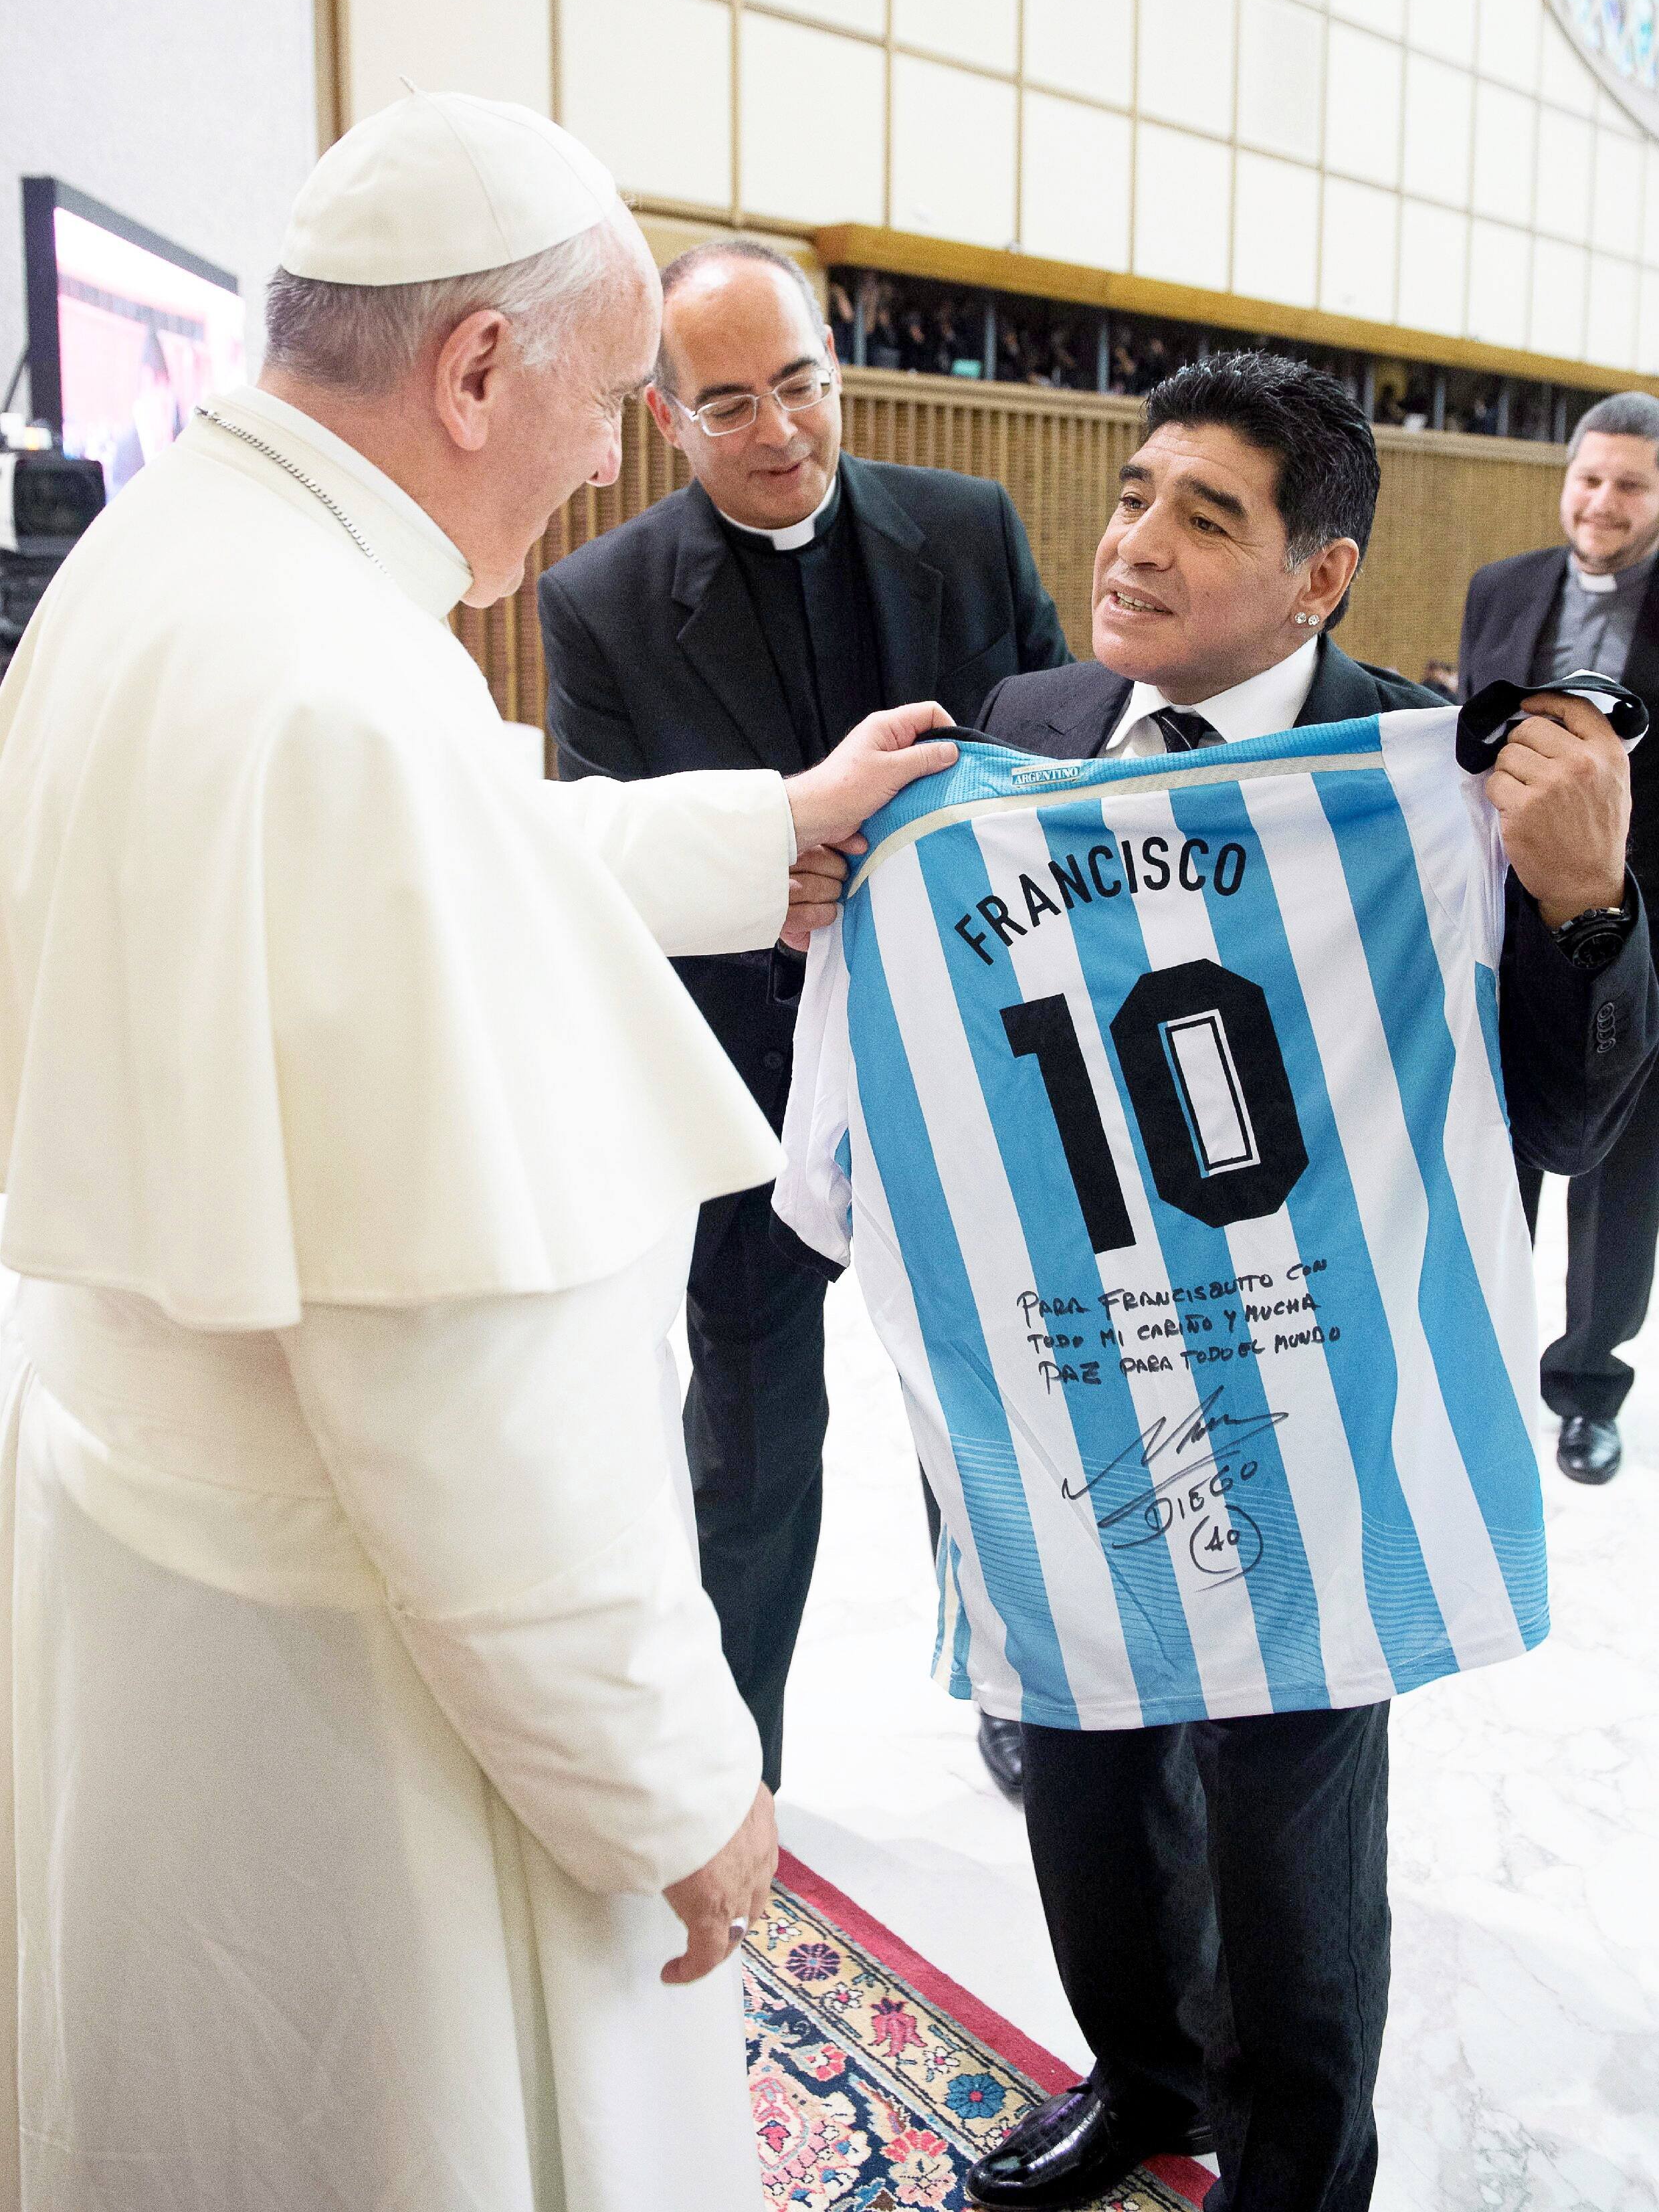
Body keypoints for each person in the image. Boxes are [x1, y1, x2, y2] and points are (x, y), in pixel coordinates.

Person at [0, 90, 957, 2212]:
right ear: (473, 369)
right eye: (614, 396)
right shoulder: (338, 686)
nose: (618, 451)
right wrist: (674, 1781)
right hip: (350, 1667)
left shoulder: (180, 559)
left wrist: (752, 826)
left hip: (159, 1546)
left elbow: (429, 856)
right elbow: (475, 1393)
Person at [945, 353, 1652, 2212]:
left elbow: (1569, 1126)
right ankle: (1148, 2077)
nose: (1138, 544)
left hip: (1315, 1378)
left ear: (1319, 574)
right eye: (1130, 494)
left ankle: (1297, 2170)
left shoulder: (1425, 775)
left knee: (1289, 1825)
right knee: (1085, 1764)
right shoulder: (1023, 715)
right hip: (1078, 1360)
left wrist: (1585, 908)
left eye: (1208, 514)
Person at [538, 239, 1070, 1799]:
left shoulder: (964, 532)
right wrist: (745, 881)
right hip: (748, 1084)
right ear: (663, 418)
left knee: (987, 1419)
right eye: (728, 405)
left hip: (967, 1071)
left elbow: (1053, 756)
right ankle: (735, 1755)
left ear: (835, 371)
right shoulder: (602, 601)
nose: (777, 433)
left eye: (799, 386)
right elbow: (609, 859)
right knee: (752, 1451)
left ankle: (1026, 1695)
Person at [1461, 390, 1659, 1484]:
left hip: (1641, 937)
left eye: (1631, 484)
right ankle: (1480, 1360)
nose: (1603, 501)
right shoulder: (1503, 587)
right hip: (1503, 930)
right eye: (1591, 477)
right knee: (1496, 1158)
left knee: (1622, 1180)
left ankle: (1588, 1387)